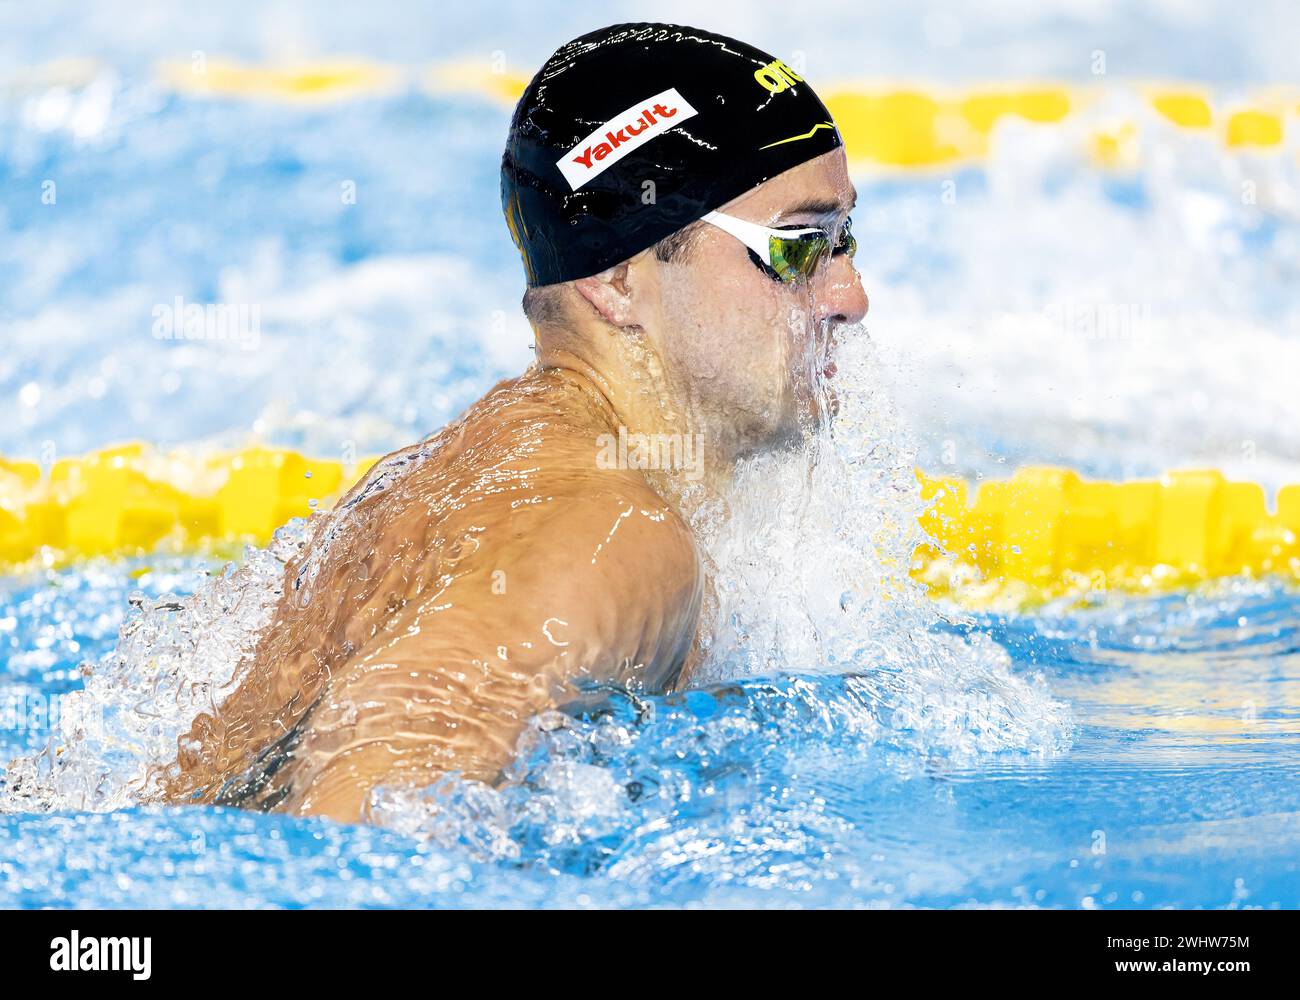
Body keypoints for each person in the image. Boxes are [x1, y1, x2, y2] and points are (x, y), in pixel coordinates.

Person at [155, 22, 868, 823]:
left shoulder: (491, 469)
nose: (850, 296)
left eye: (847, 239)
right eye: (799, 247)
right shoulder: (613, 532)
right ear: (619, 283)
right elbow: (362, 821)